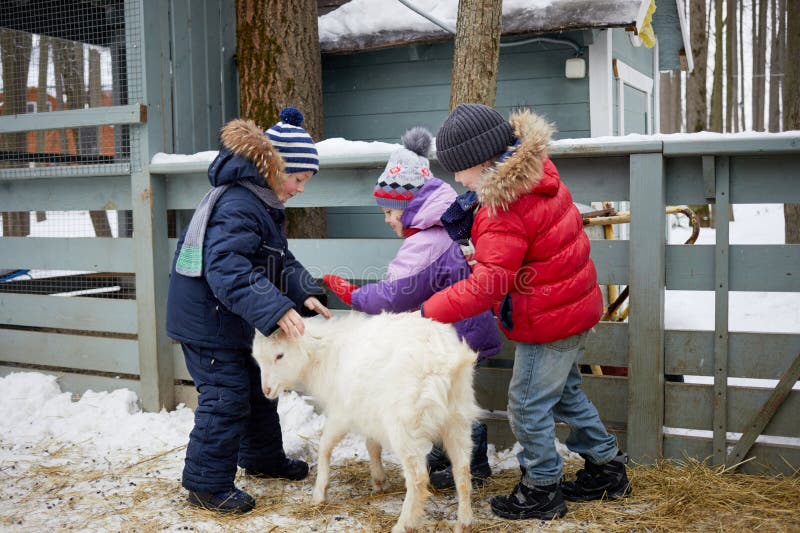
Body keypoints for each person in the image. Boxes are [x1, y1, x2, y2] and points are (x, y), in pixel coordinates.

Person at [420, 104, 631, 520]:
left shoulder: (503, 205)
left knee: (526, 405)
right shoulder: (536, 173)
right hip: (571, 308)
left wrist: (430, 309)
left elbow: (489, 284)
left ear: (482, 161)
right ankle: (607, 468)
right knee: (566, 393)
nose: (457, 180)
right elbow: (528, 253)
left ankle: (541, 488)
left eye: (459, 170)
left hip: (549, 320)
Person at [166, 107, 331, 514]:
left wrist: (305, 291)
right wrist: (276, 308)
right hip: (207, 321)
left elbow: (280, 261)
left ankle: (261, 459)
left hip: (231, 318)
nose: (300, 189)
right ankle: (206, 485)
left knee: (258, 396)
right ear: (275, 169)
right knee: (226, 397)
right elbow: (227, 268)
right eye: (298, 179)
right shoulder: (238, 204)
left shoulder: (260, 203)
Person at [322, 126, 502, 489]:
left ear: (410, 206)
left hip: (456, 334)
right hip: (457, 328)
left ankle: (473, 461)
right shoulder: (436, 230)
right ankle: (448, 454)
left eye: (390, 212)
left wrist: (353, 295)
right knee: (445, 396)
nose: (388, 221)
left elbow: (395, 294)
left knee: (452, 399)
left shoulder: (429, 241)